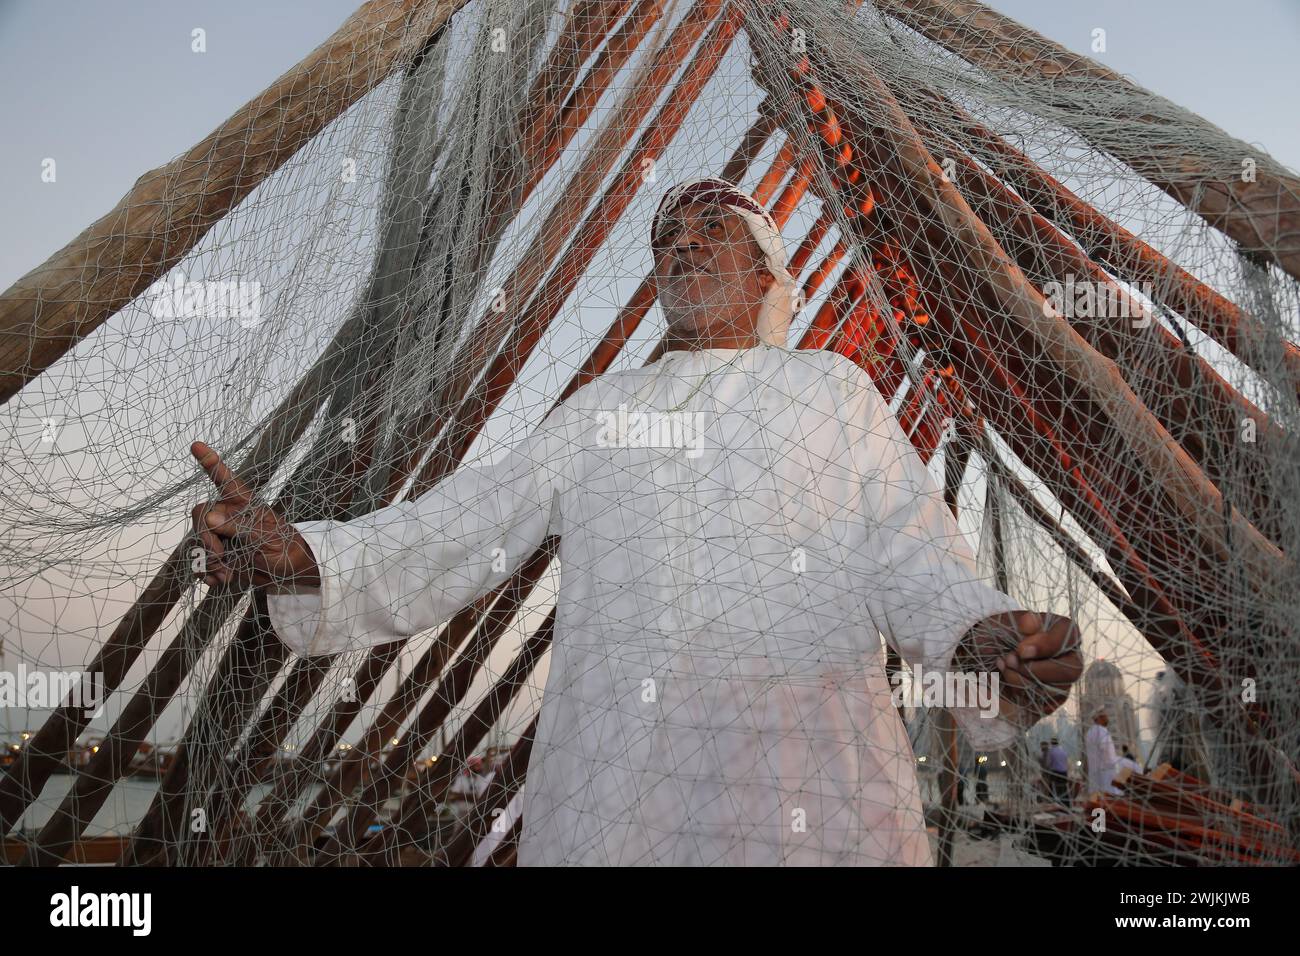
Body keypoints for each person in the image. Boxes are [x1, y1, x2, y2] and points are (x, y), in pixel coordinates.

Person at [189, 177, 1083, 866]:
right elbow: (465, 522)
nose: (683, 247)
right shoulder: (601, 410)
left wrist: (979, 645)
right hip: (608, 801)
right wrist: (306, 555)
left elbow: (913, 557)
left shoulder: (831, 390)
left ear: (769, 273)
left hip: (807, 803)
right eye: (668, 241)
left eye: (711, 233)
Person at [1085, 712, 1122, 796]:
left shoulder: (1090, 732)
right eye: (1105, 717)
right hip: (1106, 771)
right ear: (1099, 719)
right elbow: (1106, 749)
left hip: (1095, 771)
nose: (1107, 719)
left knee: (1097, 797)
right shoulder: (1101, 731)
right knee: (1108, 796)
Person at [1046, 737, 1070, 805]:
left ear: (1051, 743)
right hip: (1064, 772)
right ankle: (1066, 803)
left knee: (1052, 788)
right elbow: (1066, 761)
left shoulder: (1051, 751)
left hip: (1055, 772)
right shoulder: (1062, 751)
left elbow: (1048, 763)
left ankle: (1052, 803)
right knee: (1064, 788)